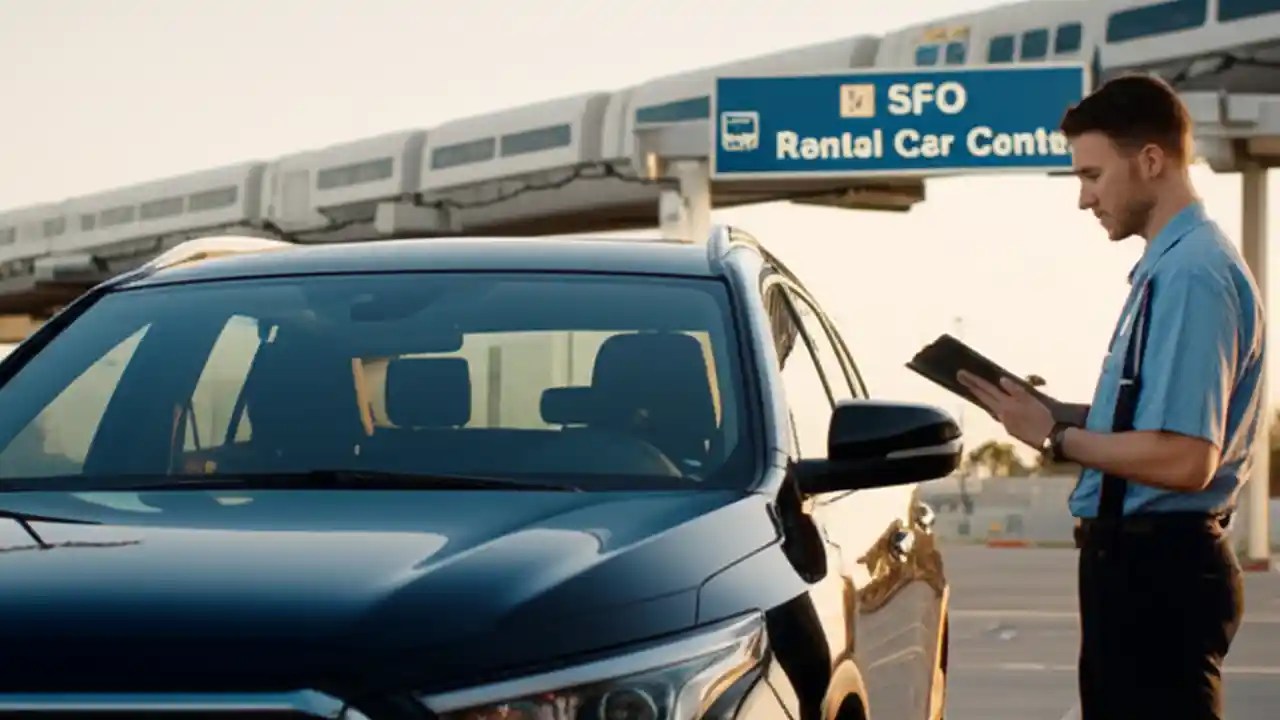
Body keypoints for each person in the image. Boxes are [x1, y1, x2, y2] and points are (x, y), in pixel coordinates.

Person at [956, 72, 1264, 720]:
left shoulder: (1193, 275)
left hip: (1161, 569)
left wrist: (1054, 436)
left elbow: (1186, 459)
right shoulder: (1168, 268)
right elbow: (1147, 423)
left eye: (1091, 176)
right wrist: (1047, 414)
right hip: (1140, 567)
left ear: (1150, 161)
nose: (1083, 199)